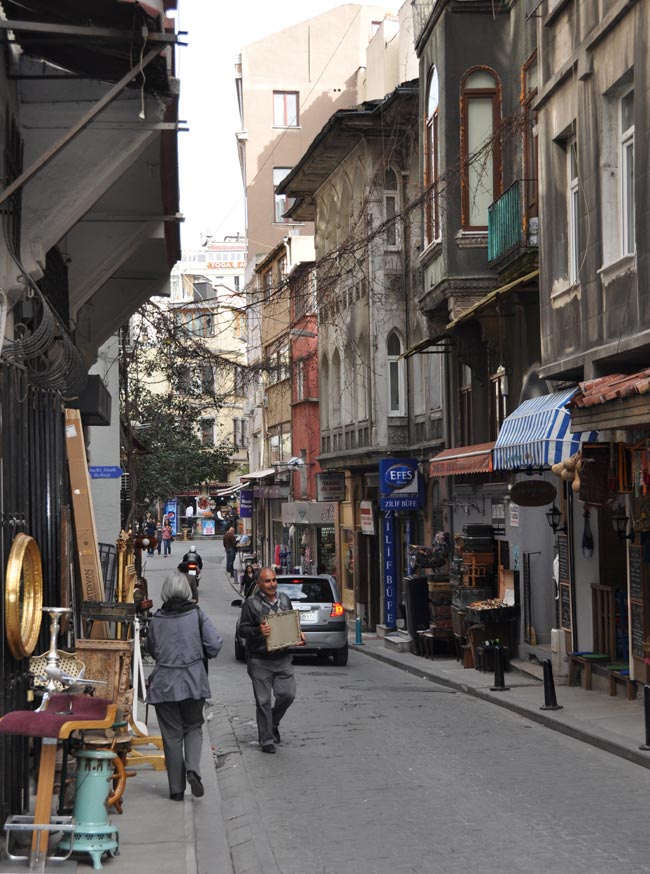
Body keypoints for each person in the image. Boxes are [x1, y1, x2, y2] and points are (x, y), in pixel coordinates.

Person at [146, 572, 222, 800]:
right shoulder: (197, 615)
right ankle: (193, 769)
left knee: (171, 735)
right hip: (193, 681)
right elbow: (215, 645)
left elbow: (152, 649)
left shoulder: (157, 619)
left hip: (164, 683)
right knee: (193, 726)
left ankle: (176, 790)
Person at [238, 567, 305, 754]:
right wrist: (259, 631)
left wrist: (298, 634)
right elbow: (242, 630)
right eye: (267, 581)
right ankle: (266, 739)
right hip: (260, 660)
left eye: (274, 580)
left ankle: (273, 721)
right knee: (263, 701)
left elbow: (290, 622)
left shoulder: (284, 599)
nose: (272, 584)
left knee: (288, 695)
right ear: (259, 584)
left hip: (282, 658)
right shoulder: (250, 604)